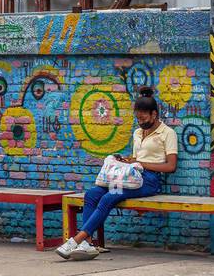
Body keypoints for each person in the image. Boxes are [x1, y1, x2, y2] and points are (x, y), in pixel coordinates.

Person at [56, 87, 177, 261]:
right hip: (131, 176)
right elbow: (137, 157)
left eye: (144, 118)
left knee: (108, 197)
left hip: (149, 180)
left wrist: (140, 163)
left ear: (154, 114)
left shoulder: (168, 133)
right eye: (138, 118)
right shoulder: (137, 133)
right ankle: (88, 244)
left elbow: (171, 166)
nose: (140, 122)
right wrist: (126, 161)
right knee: (92, 194)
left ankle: (77, 240)